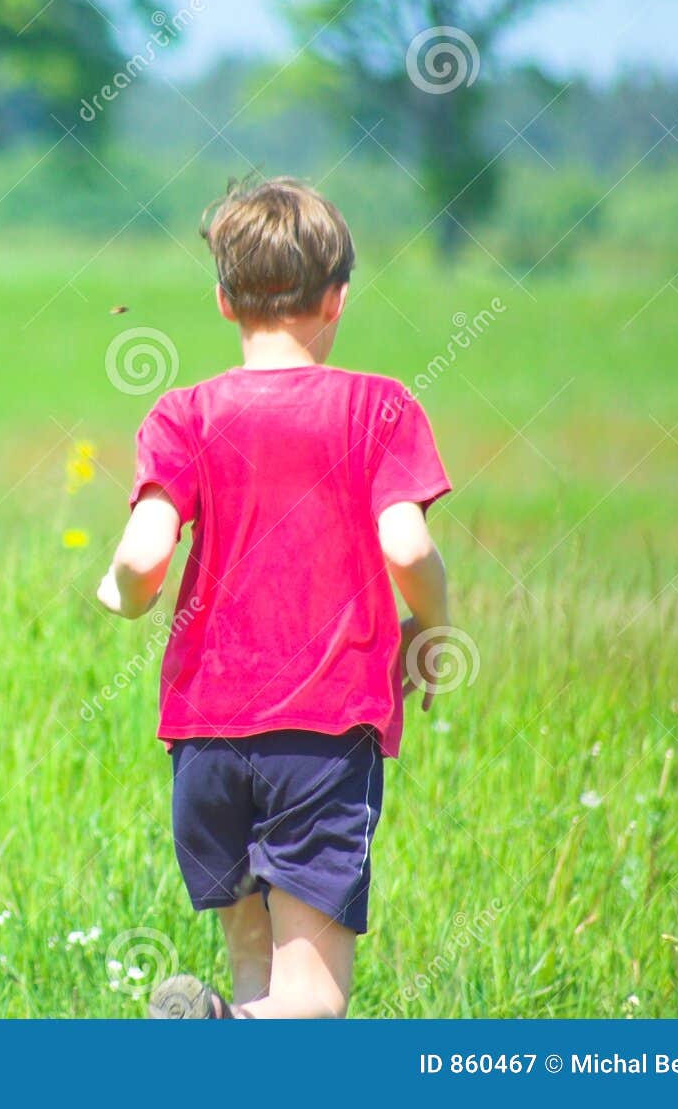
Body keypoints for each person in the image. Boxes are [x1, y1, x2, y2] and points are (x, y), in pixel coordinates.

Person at [95, 177, 453, 1018]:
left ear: (223, 300)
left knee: (255, 974)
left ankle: (225, 1026)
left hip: (206, 741)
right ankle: (211, 1033)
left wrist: (113, 591)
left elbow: (142, 562)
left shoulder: (183, 414)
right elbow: (407, 543)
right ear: (338, 298)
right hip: (323, 738)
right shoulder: (379, 408)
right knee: (312, 1009)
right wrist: (433, 627)